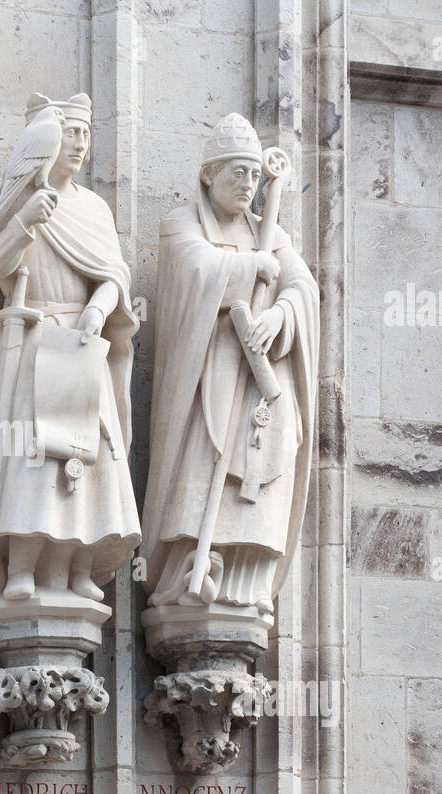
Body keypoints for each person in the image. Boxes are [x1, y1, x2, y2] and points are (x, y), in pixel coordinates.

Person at [141, 113, 319, 620]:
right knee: (199, 471)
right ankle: (187, 572)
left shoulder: (271, 233)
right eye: (236, 172)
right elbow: (191, 272)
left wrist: (280, 315)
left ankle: (248, 584)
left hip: (260, 382)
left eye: (255, 175)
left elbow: (303, 287)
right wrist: (246, 267)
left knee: (259, 479)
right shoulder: (181, 225)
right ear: (208, 174)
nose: (248, 185)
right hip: (209, 380)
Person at [0, 92, 140, 604]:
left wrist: (98, 309)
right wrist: (25, 221)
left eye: (87, 135)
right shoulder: (11, 197)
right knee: (32, 456)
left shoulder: (94, 207)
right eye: (71, 134)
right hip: (32, 335)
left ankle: (76, 564)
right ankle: (20, 567)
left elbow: (114, 276)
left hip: (83, 340)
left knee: (85, 457)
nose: (80, 145)